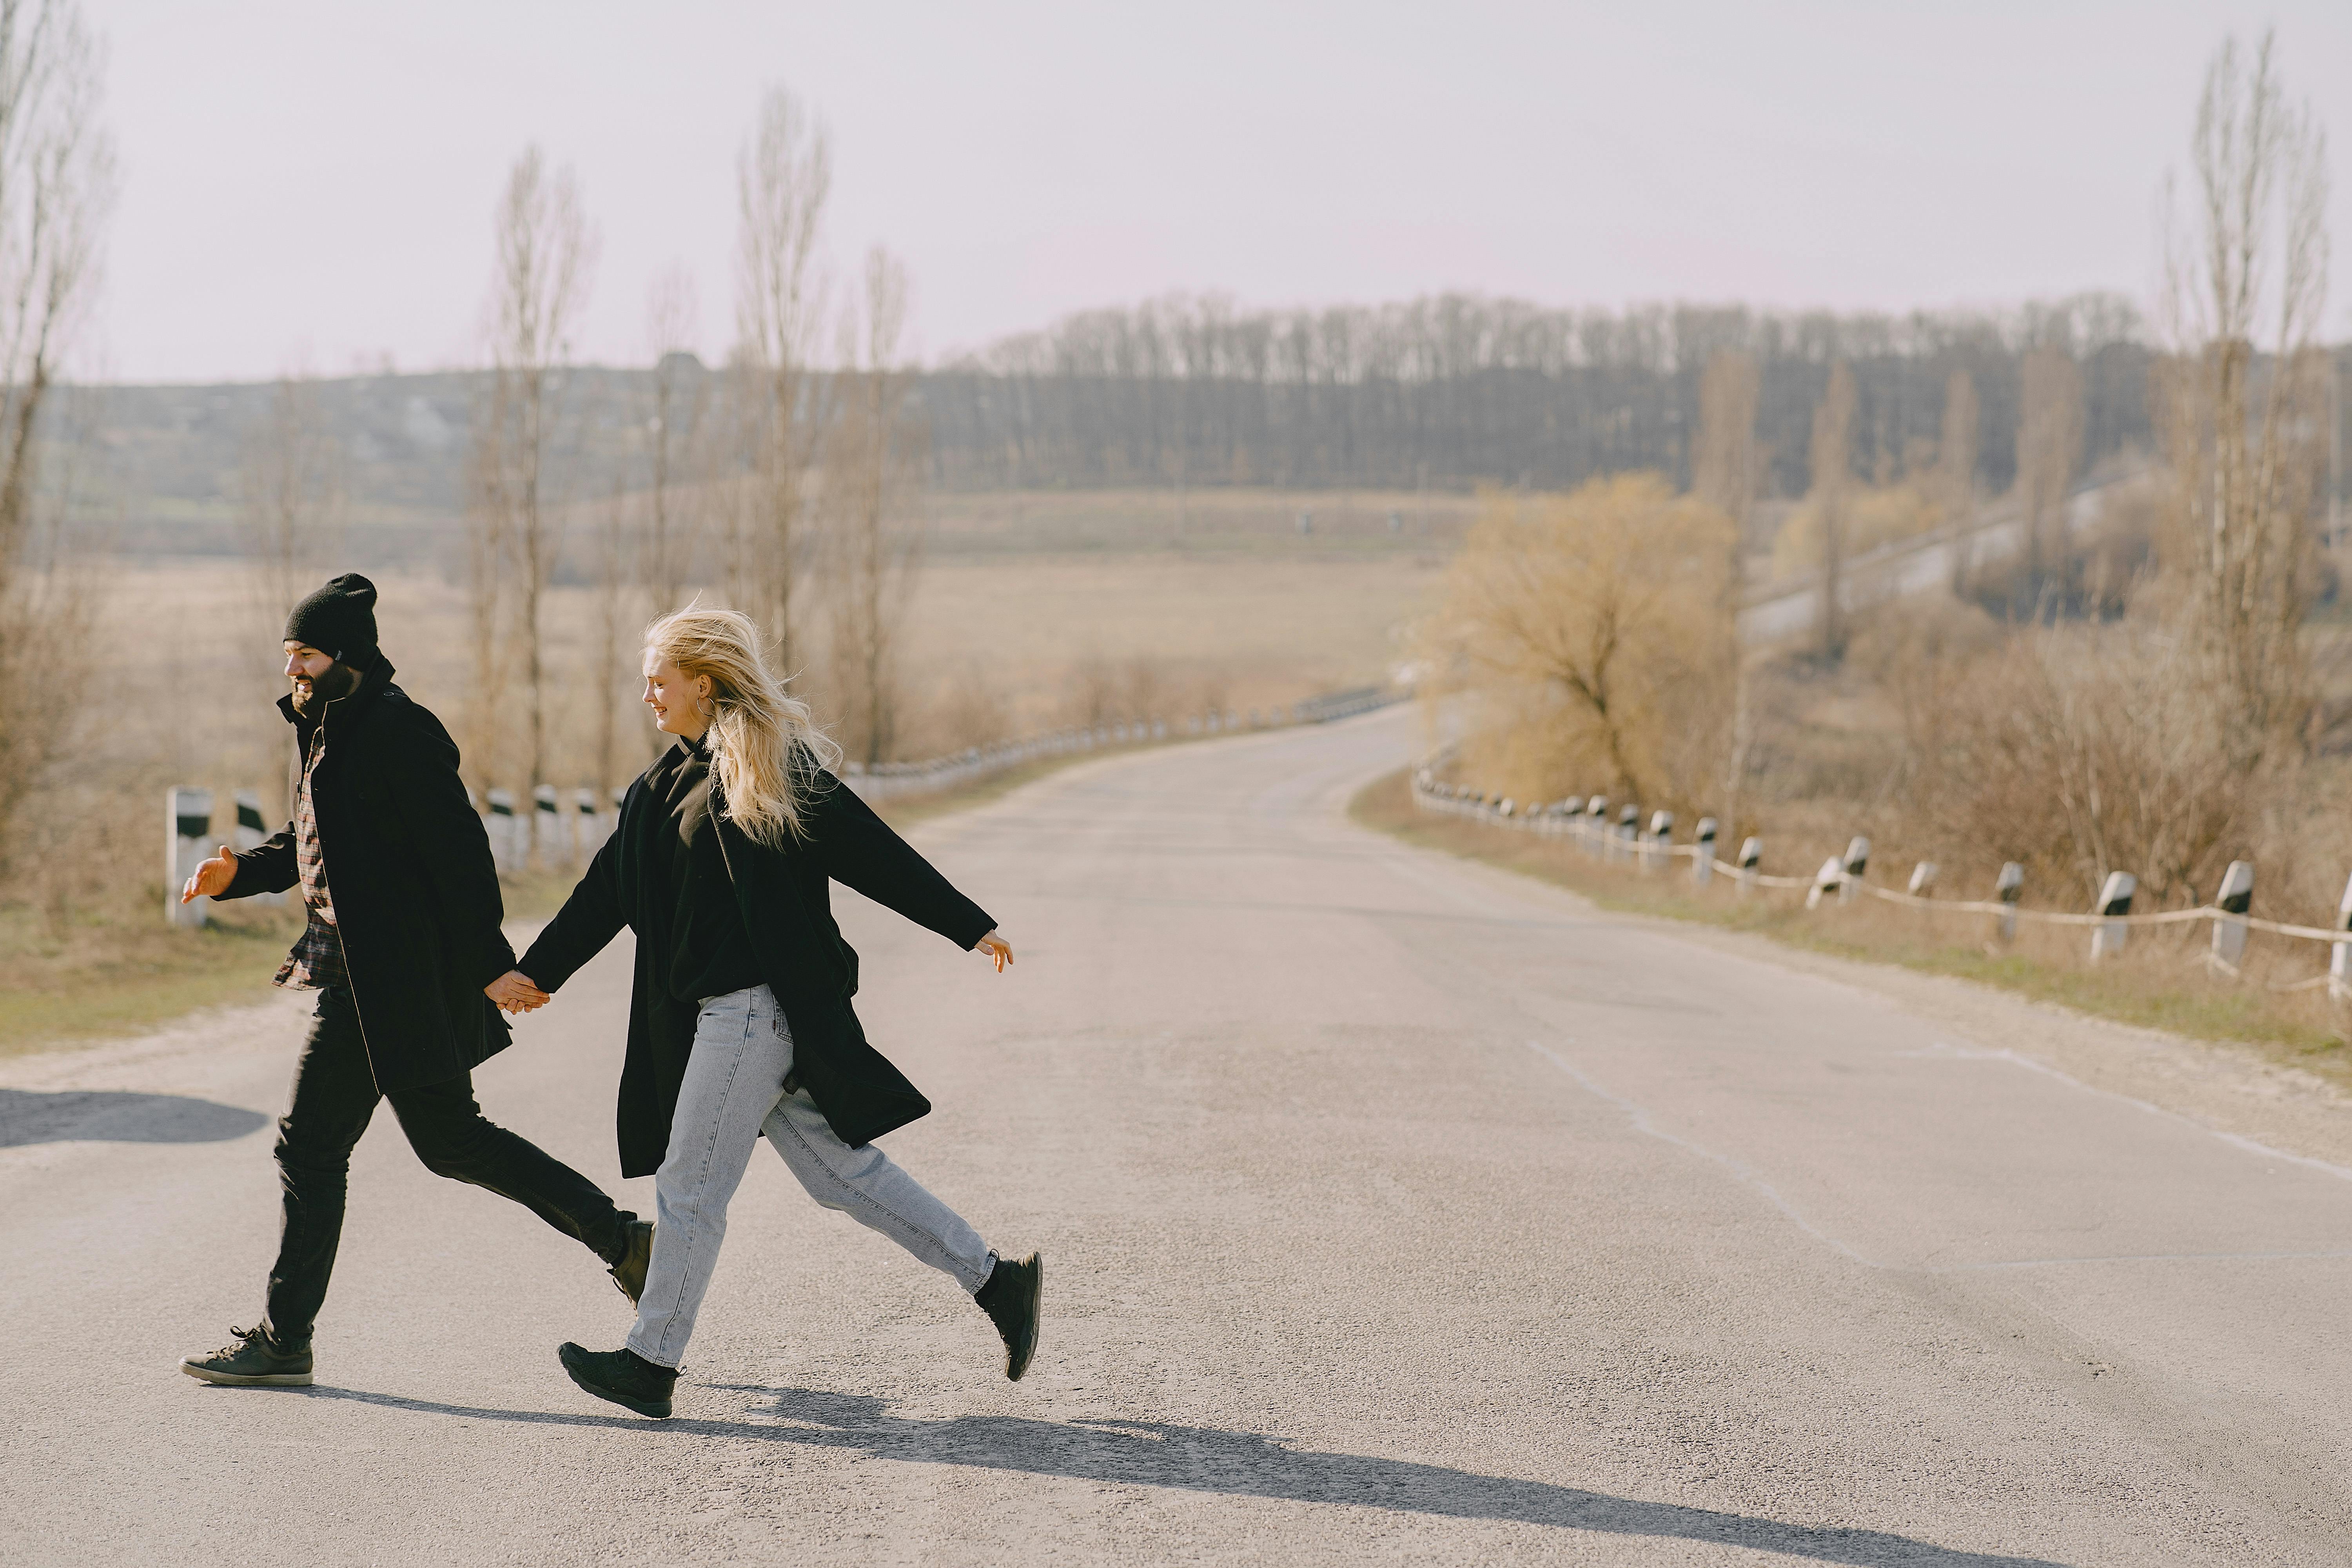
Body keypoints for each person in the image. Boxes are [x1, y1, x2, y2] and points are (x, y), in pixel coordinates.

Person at [493, 604, 1039, 1421]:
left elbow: (876, 853)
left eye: (659, 680)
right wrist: (533, 972)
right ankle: (998, 1280)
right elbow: (601, 894)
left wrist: (969, 923)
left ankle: (651, 1361)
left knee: (690, 1182)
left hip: (758, 1013)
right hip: (727, 1019)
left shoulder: (774, 769)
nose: (647, 694)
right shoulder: (657, 788)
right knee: (842, 1176)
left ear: (702, 683)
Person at [178, 573, 652, 1388]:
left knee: (326, 1145)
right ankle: (621, 1239)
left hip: (396, 979)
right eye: (289, 653)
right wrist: (240, 873)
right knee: (443, 1141)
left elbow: (461, 855)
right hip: (362, 971)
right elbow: (315, 835)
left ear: (349, 658)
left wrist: (491, 965)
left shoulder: (399, 731)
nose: (293, 668)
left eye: (307, 653)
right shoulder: (329, 724)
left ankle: (285, 1338)